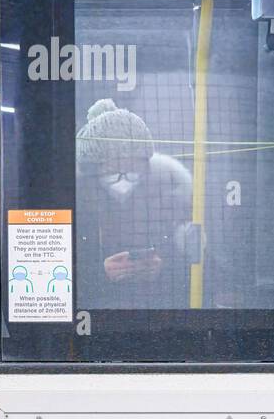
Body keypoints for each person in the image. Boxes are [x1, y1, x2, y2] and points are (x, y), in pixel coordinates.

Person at [75, 98, 195, 309]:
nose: (123, 177)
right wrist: (99, 273)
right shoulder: (77, 207)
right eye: (112, 169)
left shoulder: (171, 201)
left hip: (159, 312)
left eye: (132, 167)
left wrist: (163, 268)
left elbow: (204, 269)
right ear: (92, 170)